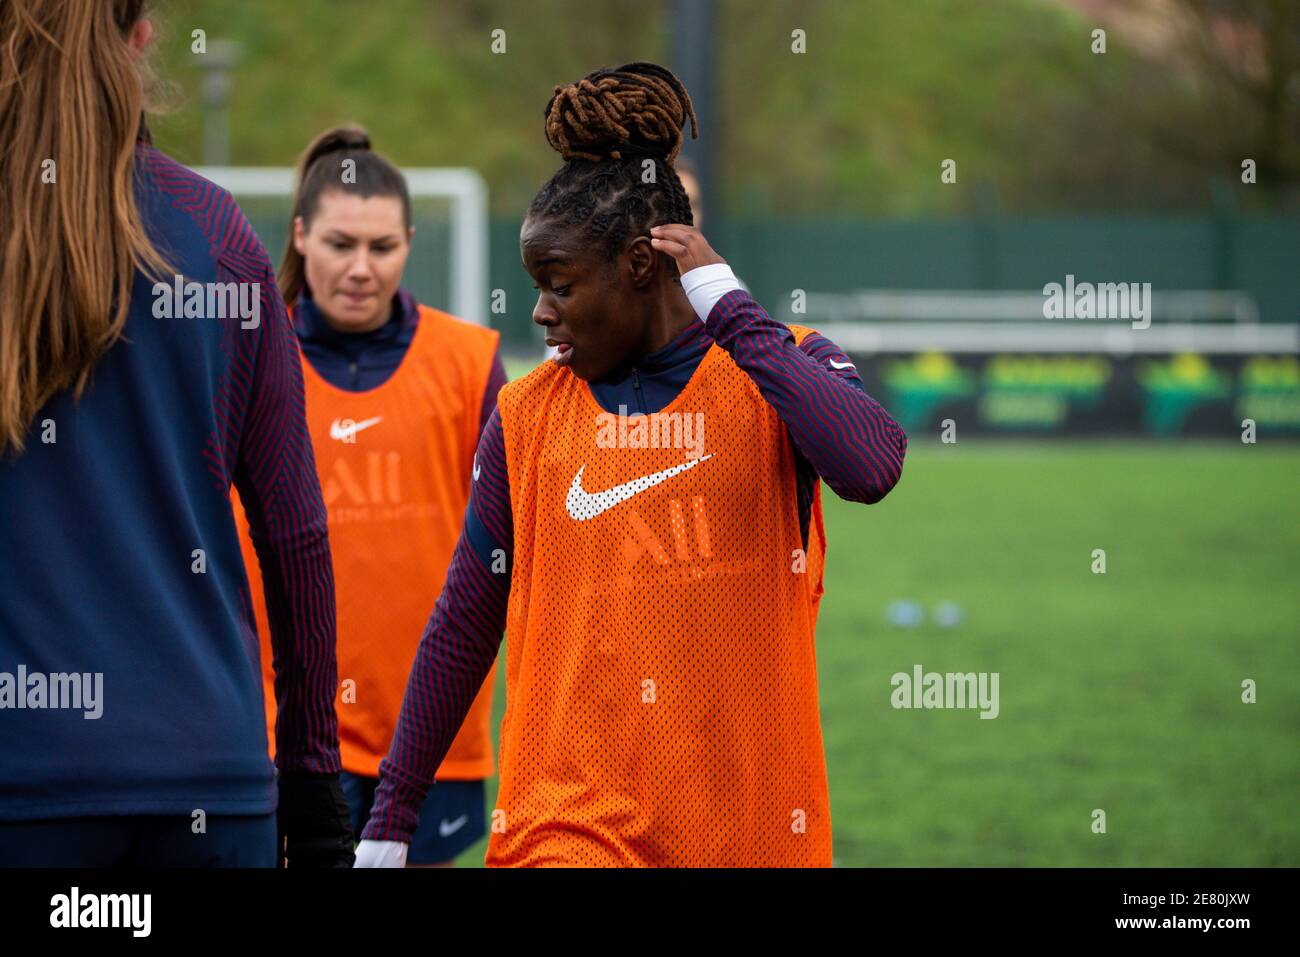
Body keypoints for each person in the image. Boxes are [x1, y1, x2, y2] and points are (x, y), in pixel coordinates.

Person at [355, 61, 907, 868]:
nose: (540, 310)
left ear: (642, 269)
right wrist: (391, 815)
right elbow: (466, 616)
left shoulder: (776, 370)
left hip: (748, 831)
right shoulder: (527, 413)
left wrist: (734, 313)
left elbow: (872, 464)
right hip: (565, 825)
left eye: (560, 284)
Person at [0, 0, 351, 867]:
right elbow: (294, 533)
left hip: (27, 783)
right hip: (208, 782)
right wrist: (313, 791)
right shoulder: (216, 233)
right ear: (140, 37)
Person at [231, 127, 506, 866]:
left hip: (427, 740)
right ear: (299, 235)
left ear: (411, 242)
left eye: (382, 247)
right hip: (275, 736)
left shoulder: (470, 363)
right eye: (339, 242)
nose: (360, 268)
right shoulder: (249, 355)